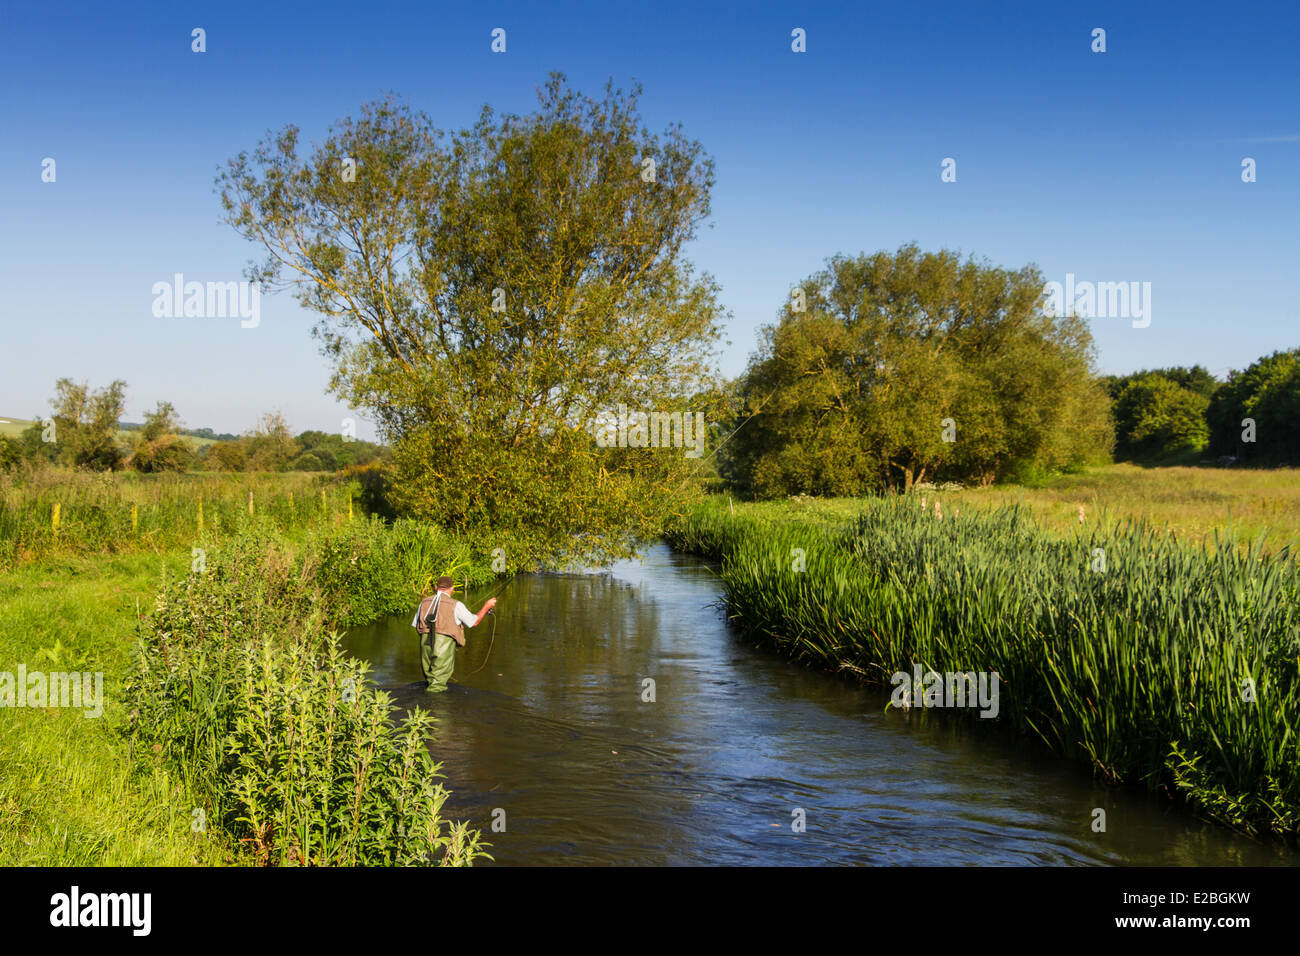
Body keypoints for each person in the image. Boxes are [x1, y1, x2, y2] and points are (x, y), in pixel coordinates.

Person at [412, 575, 497, 692]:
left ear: (436, 587)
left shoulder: (423, 602)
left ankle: (425, 707)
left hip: (425, 643)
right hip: (443, 645)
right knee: (437, 685)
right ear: (451, 589)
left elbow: (416, 626)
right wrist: (486, 606)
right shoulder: (456, 605)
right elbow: (474, 622)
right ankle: (435, 707)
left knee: (429, 679)